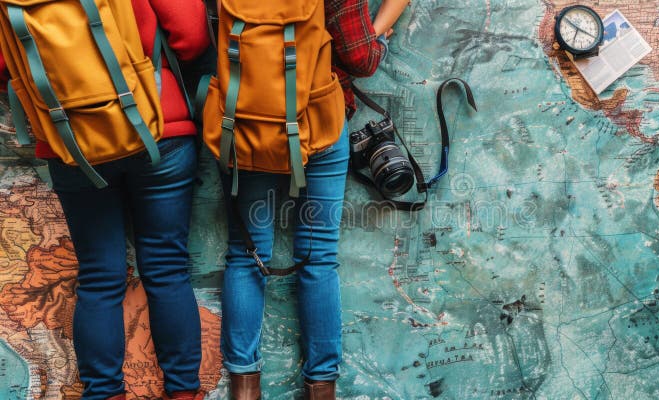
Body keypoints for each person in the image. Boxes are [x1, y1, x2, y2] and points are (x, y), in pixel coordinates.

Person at [0, 0, 210, 398]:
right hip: (157, 124)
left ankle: (103, 393)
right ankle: (183, 392)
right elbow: (192, 36)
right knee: (167, 269)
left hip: (71, 140)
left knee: (99, 277)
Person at [218, 1, 409, 399]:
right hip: (319, 116)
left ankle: (244, 390)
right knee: (318, 256)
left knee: (246, 255)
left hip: (247, 121)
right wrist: (381, 38)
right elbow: (361, 58)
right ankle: (321, 390)